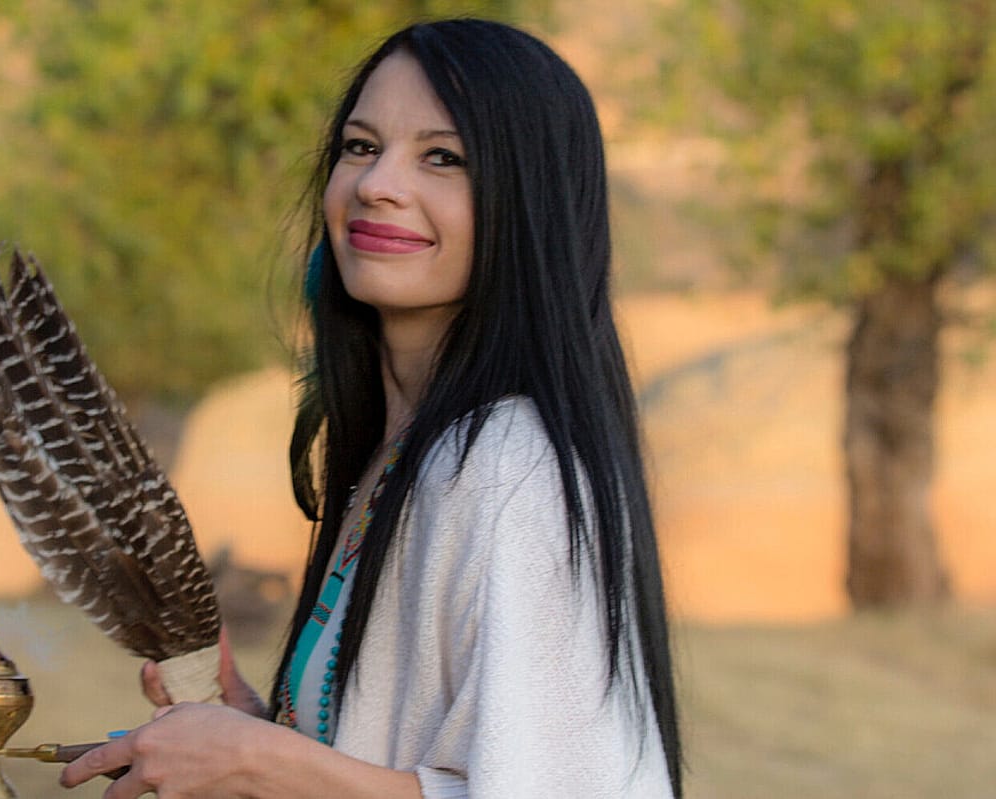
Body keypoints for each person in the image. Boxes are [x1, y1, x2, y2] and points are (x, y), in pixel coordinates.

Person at [62, 18, 682, 798]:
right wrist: (247, 732)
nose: (377, 183)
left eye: (443, 157)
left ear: (532, 206)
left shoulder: (509, 463)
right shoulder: (406, 452)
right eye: (360, 146)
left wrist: (262, 761)